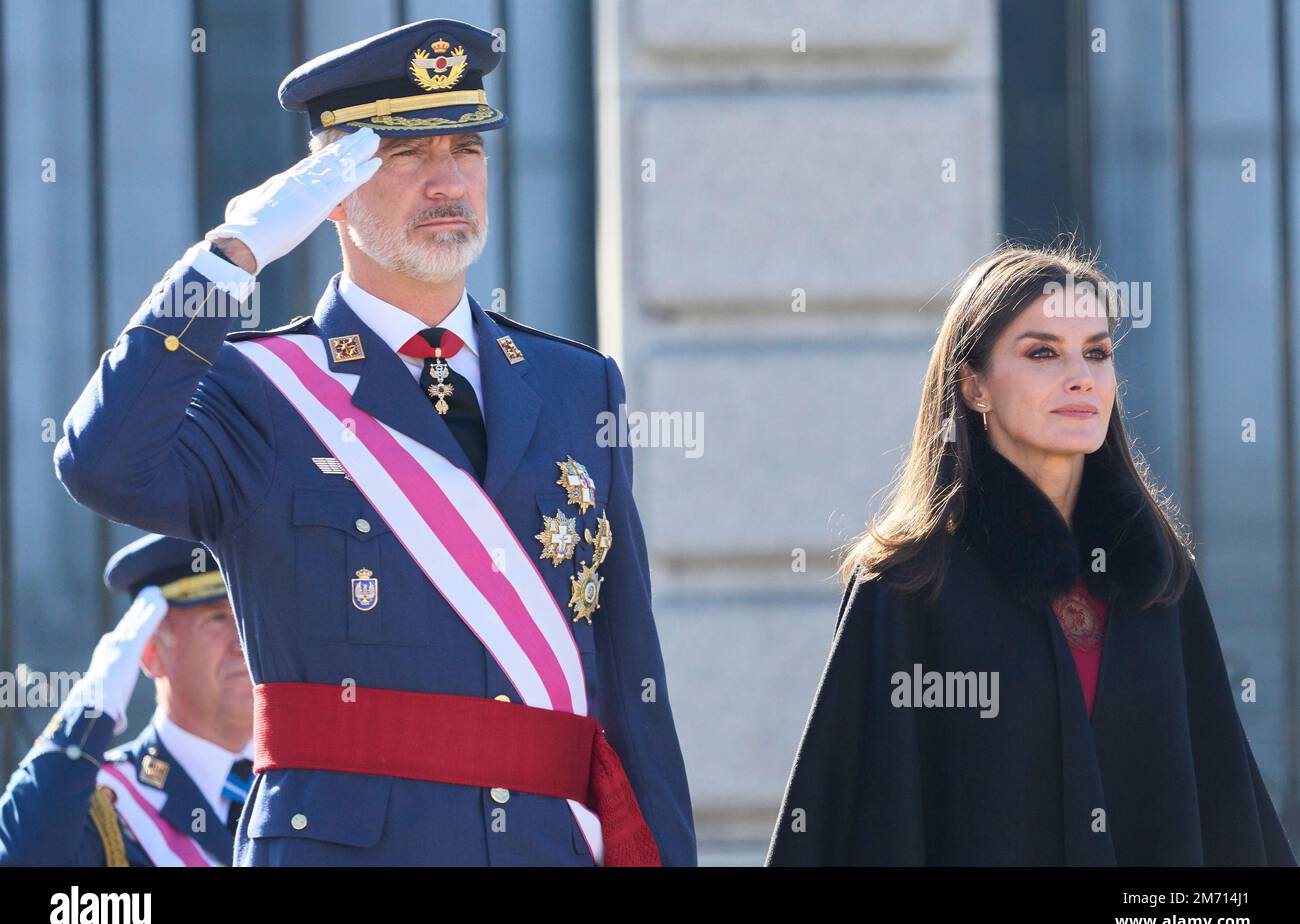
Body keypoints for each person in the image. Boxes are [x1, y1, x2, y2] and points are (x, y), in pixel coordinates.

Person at [54, 18, 694, 866]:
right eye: (405, 155)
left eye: (466, 148)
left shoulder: (577, 384)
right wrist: (228, 260)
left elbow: (628, 673)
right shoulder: (262, 387)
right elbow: (100, 461)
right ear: (331, 190)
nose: (448, 183)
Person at [767, 243, 1296, 866]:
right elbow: (857, 820)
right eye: (1043, 352)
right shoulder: (910, 584)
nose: (1080, 376)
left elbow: (1226, 808)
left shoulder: (1155, 576)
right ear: (974, 386)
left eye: (1096, 353)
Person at [0, 534, 253, 866]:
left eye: (253, 618)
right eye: (218, 618)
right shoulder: (106, 804)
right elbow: (24, 858)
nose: (245, 642)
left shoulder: (308, 784)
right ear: (151, 652)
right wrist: (92, 707)